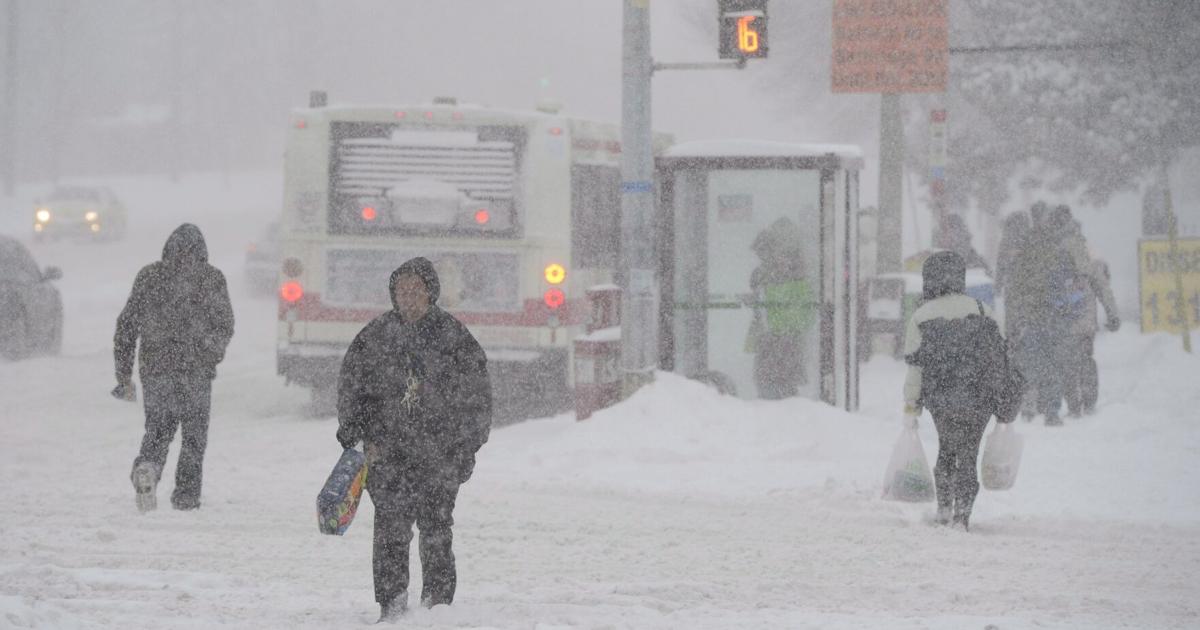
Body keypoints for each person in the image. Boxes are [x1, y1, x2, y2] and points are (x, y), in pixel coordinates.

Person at [336, 257, 492, 622]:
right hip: (386, 453)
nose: (407, 296)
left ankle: (437, 605)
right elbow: (352, 388)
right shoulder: (374, 337)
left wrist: (466, 446)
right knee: (390, 528)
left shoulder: (454, 337)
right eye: (401, 289)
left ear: (431, 293)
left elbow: (477, 397)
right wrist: (354, 432)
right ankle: (390, 603)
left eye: (415, 289)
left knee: (436, 527)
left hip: (441, 454)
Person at [113, 223, 234, 512]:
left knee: (158, 430)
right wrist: (209, 352)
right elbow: (225, 325)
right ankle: (186, 497)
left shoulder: (150, 277)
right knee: (193, 438)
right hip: (195, 370)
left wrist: (124, 374)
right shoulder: (211, 278)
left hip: (156, 368)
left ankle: (148, 468)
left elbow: (126, 326)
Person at [903, 251, 1015, 530]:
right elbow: (999, 359)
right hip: (979, 398)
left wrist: (911, 406)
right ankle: (963, 514)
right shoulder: (982, 310)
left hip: (941, 399)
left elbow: (915, 368)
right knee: (968, 453)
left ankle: (944, 507)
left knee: (947, 450)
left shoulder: (921, 316)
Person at [1009, 205, 1108, 426]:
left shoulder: (1025, 256)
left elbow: (1015, 289)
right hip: (1055, 316)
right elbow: (1077, 283)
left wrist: (1017, 317)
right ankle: (1053, 409)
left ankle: (1031, 406)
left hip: (1033, 315)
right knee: (1055, 362)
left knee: (1032, 361)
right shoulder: (1061, 252)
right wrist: (1067, 308)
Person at [745, 218, 815, 399]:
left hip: (778, 335)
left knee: (775, 378)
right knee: (776, 378)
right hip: (777, 335)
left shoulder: (783, 273)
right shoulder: (784, 271)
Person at [1063, 258, 1120, 416]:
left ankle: (1073, 405)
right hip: (1085, 324)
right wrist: (1112, 315)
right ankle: (1089, 402)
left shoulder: (1053, 251)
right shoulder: (1088, 259)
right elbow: (1103, 288)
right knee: (1085, 359)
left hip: (1063, 323)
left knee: (1067, 364)